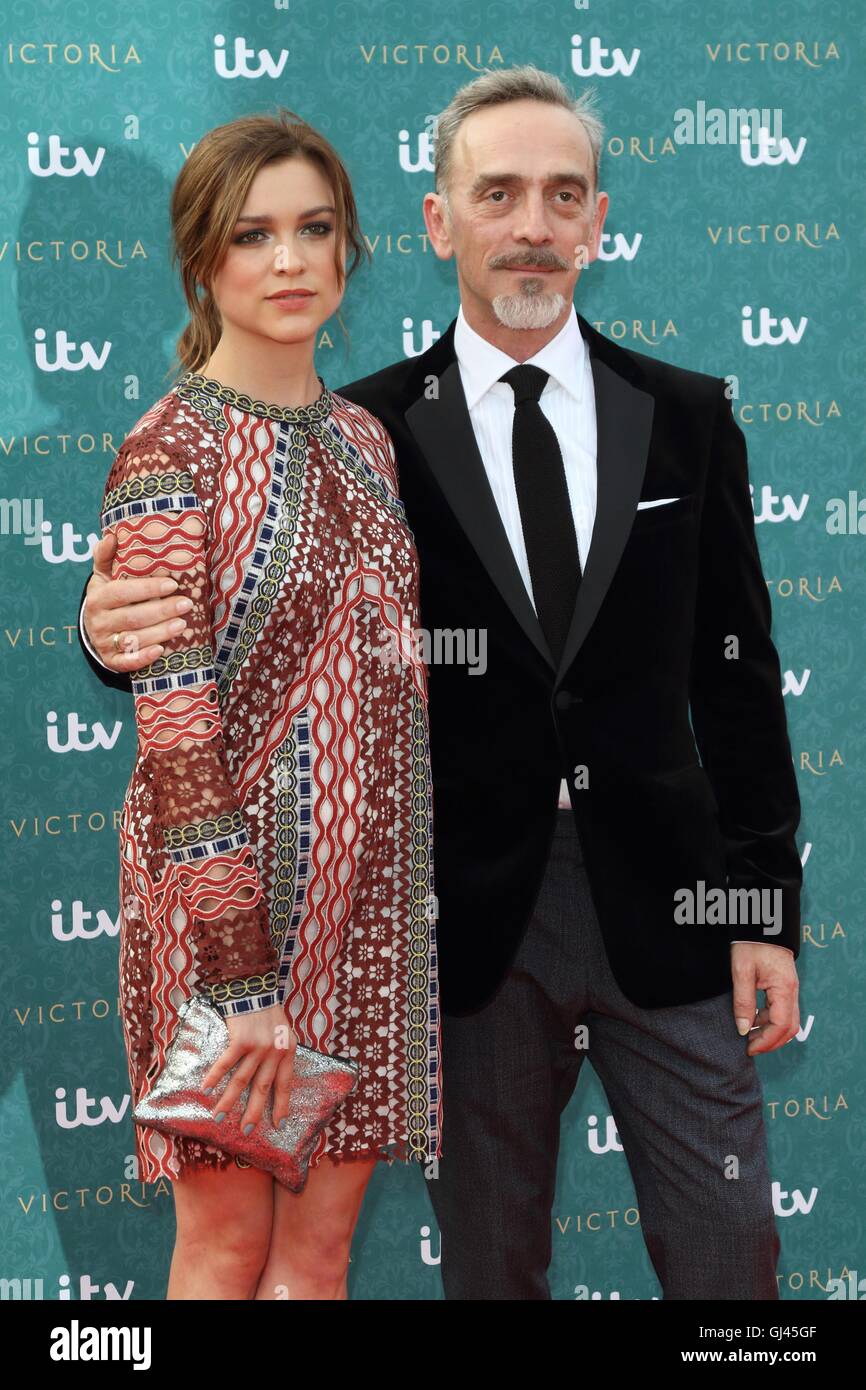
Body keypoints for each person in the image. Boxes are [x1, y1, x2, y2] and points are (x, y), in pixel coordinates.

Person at [80, 67, 802, 1301]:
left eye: (560, 194)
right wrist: (104, 626)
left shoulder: (683, 417)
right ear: (436, 222)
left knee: (732, 1266)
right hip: (457, 918)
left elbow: (732, 677)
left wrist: (759, 907)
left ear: (596, 220)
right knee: (481, 1268)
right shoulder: (373, 424)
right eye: (498, 193)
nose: (530, 223)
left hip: (643, 903)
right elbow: (212, 602)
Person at [86, 107, 441, 1300]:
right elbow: (178, 742)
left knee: (319, 1257)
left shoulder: (364, 443)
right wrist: (241, 983)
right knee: (229, 1248)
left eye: (314, 229)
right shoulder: (166, 450)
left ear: (348, 249)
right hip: (225, 923)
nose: (288, 261)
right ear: (203, 260)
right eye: (252, 235)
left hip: (367, 918)